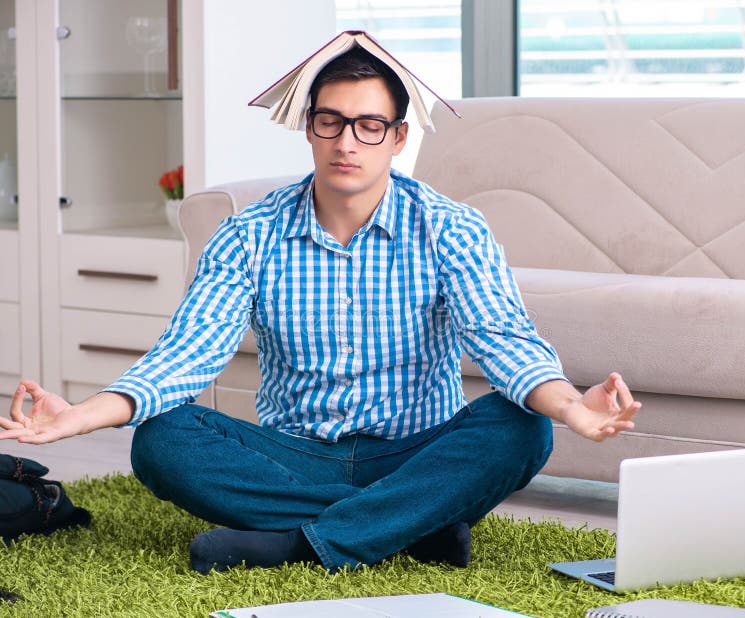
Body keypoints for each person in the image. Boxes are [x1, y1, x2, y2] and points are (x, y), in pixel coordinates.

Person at [0, 47, 641, 574]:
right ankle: (413, 526)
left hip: (414, 450)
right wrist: (81, 415)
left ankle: (304, 543)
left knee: (521, 425)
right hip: (292, 452)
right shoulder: (248, 234)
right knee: (162, 439)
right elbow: (187, 354)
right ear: (309, 127)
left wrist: (568, 406)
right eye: (329, 121)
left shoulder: (451, 228)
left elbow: (504, 340)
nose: (347, 142)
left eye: (369, 126)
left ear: (397, 137)